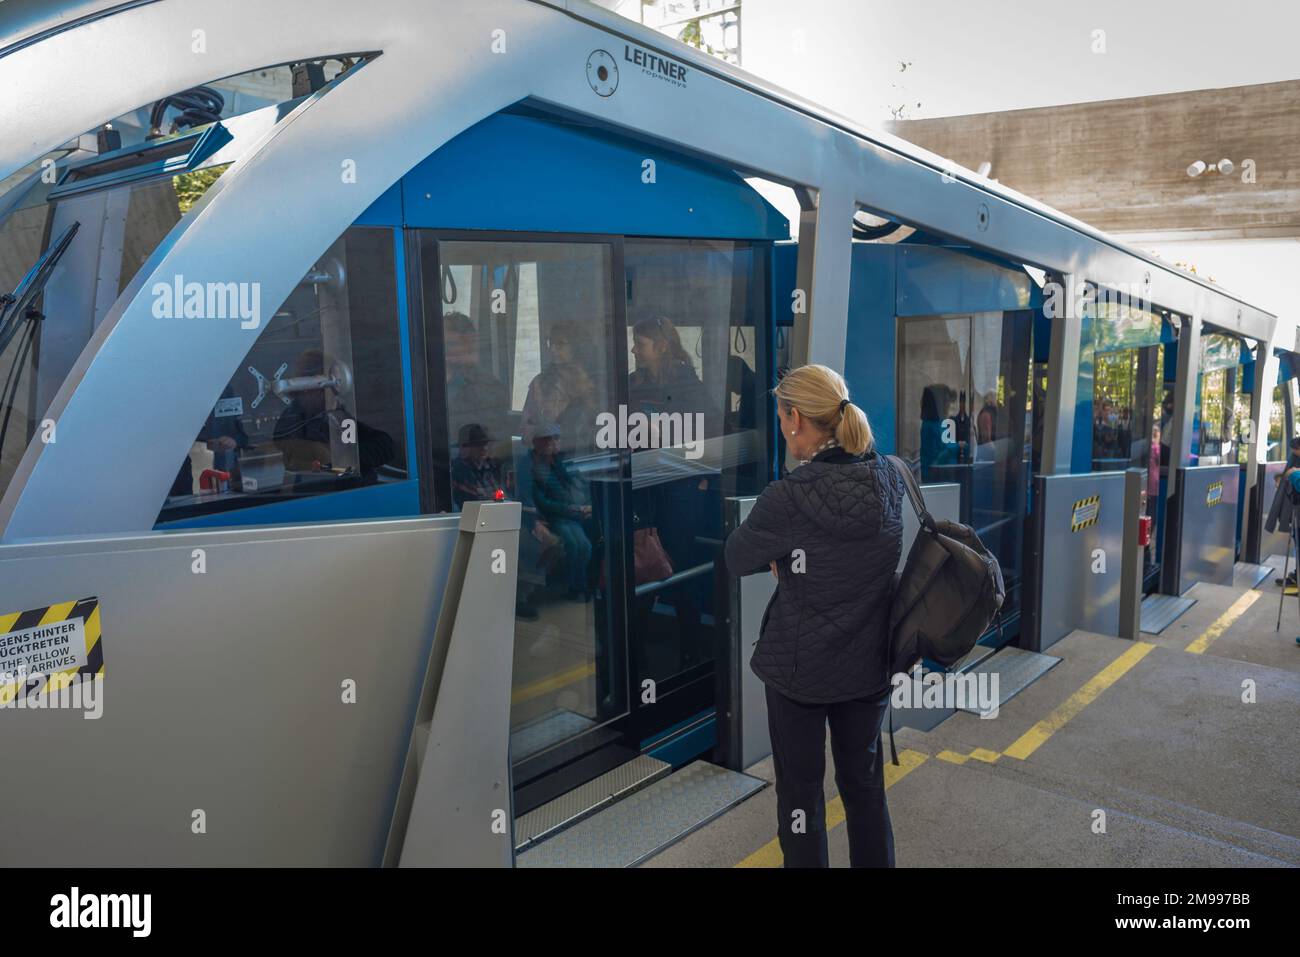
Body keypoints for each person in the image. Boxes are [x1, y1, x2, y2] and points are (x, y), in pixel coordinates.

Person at [723, 363, 904, 868]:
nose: (782, 428)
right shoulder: (889, 476)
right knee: (864, 785)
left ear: (796, 419)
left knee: (801, 798)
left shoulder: (787, 498)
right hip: (870, 666)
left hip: (800, 673)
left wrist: (782, 557)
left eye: (782, 418)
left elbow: (736, 557)